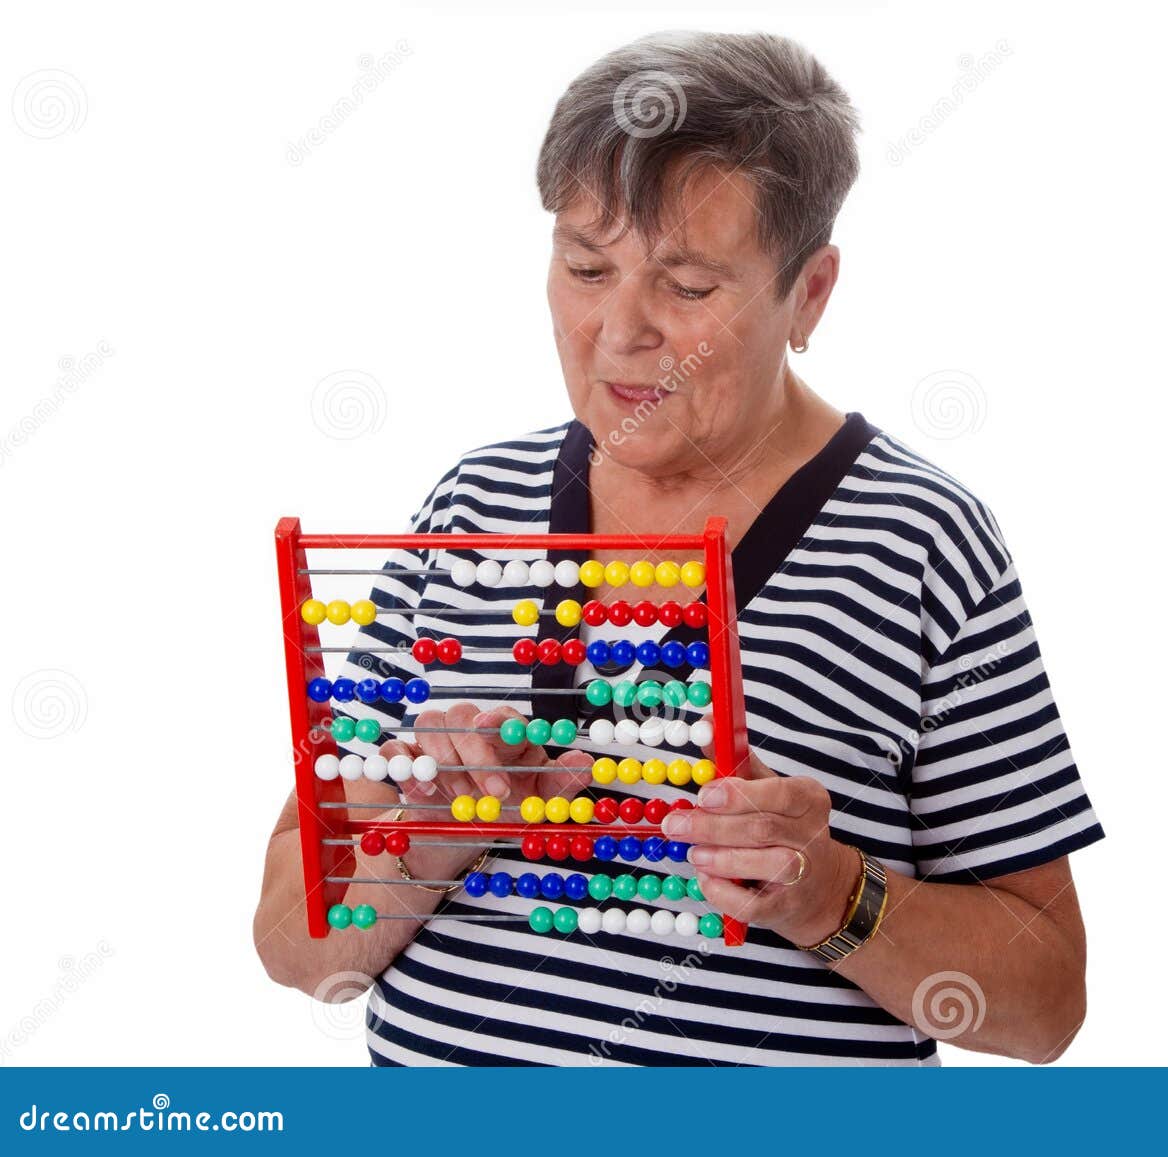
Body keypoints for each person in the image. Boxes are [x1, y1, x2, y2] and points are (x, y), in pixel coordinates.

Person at [254, 29, 1104, 1066]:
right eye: (583, 264)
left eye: (688, 286)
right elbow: (297, 949)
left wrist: (828, 892)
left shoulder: (921, 541)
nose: (618, 328)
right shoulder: (471, 508)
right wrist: (430, 835)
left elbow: (1045, 1001)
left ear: (810, 293)